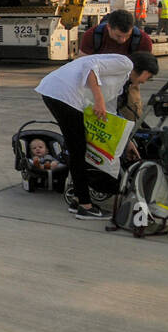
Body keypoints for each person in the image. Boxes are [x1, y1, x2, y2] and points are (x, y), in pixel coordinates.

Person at [35, 51, 159, 219]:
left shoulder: (121, 80)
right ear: (143, 70)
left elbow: (110, 112)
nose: (145, 81)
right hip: (63, 94)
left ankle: (79, 199)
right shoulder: (126, 64)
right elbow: (90, 67)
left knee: (78, 148)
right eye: (148, 77)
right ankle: (85, 206)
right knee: (78, 149)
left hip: (59, 93)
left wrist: (127, 142)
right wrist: (98, 99)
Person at [77, 8, 152, 56]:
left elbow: (145, 70)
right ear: (108, 27)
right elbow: (83, 65)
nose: (123, 40)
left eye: (127, 36)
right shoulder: (92, 36)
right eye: (118, 36)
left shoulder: (143, 40)